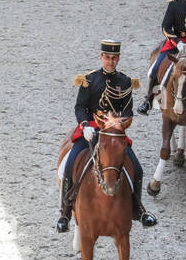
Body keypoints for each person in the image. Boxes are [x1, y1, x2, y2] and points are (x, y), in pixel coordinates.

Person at [59, 40, 157, 232]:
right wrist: (85, 125)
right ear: (101, 57)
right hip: (92, 131)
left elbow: (128, 110)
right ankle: (65, 212)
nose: (110, 62)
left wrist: (118, 123)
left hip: (114, 133)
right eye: (107, 58)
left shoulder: (125, 82)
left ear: (118, 59)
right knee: (70, 164)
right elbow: (80, 107)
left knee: (137, 168)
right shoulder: (89, 80)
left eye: (114, 58)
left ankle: (138, 210)